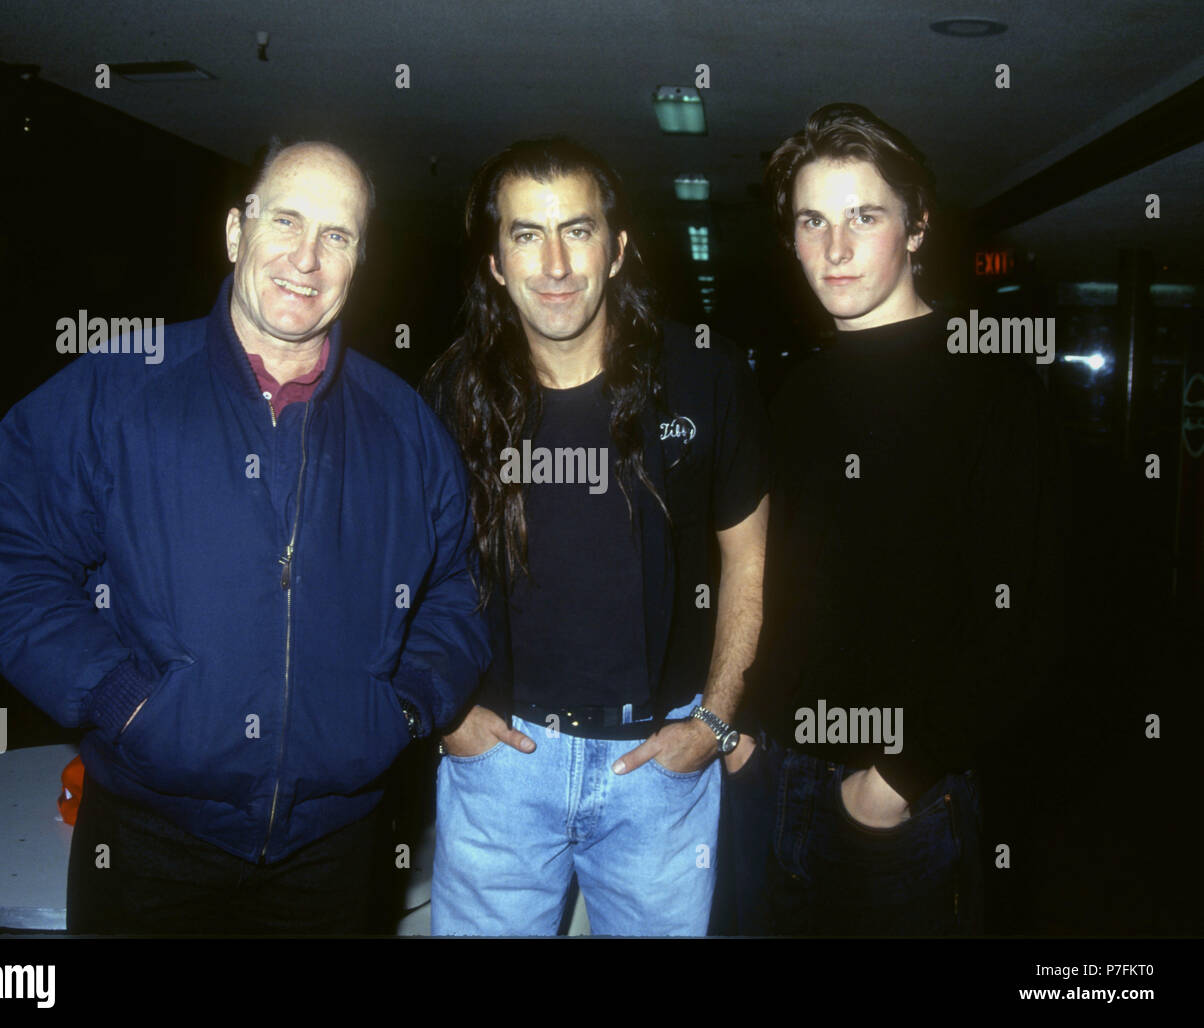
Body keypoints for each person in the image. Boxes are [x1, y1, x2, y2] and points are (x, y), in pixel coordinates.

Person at [0, 139, 489, 935]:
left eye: (337, 236)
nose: (306, 258)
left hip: (334, 853)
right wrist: (119, 697)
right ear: (238, 233)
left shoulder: (406, 429)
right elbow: (0, 550)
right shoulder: (119, 388)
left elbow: (456, 594)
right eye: (286, 221)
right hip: (148, 845)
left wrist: (403, 707)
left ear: (359, 260)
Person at [722, 103, 1066, 935]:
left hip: (900, 799)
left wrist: (892, 783)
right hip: (771, 776)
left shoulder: (993, 382)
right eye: (813, 221)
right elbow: (777, 574)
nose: (835, 249)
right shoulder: (799, 391)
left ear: (915, 229)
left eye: (864, 217)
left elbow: (1030, 620)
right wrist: (744, 724)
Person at [423, 137, 769, 936]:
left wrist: (715, 720)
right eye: (525, 234)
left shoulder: (706, 375)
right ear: (496, 264)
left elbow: (749, 555)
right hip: (502, 767)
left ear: (617, 251)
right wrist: (447, 714)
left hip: (659, 768)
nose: (554, 264)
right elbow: (396, 565)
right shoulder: (450, 393)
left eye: (577, 230)